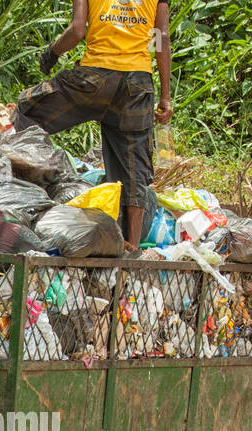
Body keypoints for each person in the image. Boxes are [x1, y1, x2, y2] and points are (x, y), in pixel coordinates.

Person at [13, 0, 172, 250]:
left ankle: (29, 189)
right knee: (133, 169)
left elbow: (77, 31)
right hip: (136, 86)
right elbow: (160, 36)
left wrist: (52, 52)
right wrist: (165, 96)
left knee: (26, 109)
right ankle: (130, 247)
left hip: (93, 80)